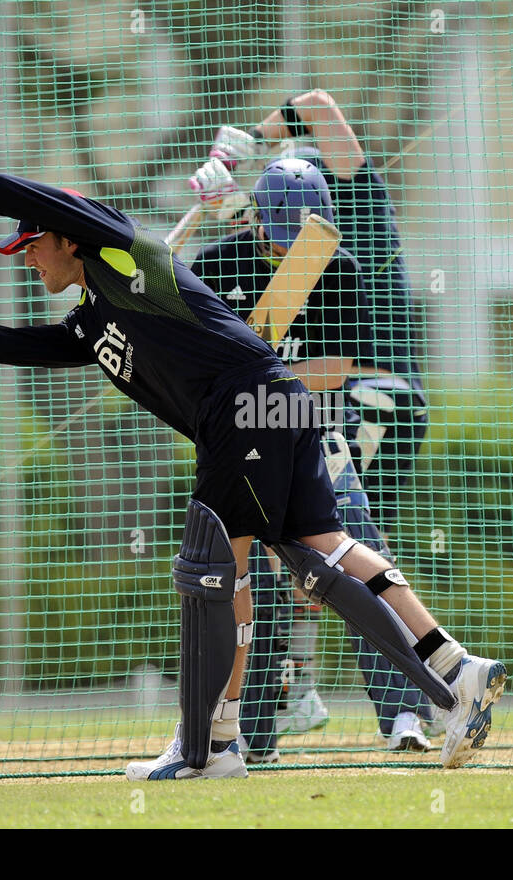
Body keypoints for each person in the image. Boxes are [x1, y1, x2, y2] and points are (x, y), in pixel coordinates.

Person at [0, 172, 505, 778]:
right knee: (325, 553)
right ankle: (457, 671)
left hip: (238, 402)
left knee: (214, 567)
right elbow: (7, 345)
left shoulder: (118, 249)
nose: (27, 258)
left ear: (66, 234)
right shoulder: (89, 319)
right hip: (277, 397)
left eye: (32, 244)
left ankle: (210, 743)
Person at [195, 90, 434, 738]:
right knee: (318, 553)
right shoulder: (278, 246)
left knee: (336, 544)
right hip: (327, 406)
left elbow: (319, 106)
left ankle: (388, 696)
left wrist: (238, 143)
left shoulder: (352, 208)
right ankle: (309, 690)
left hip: (370, 398)